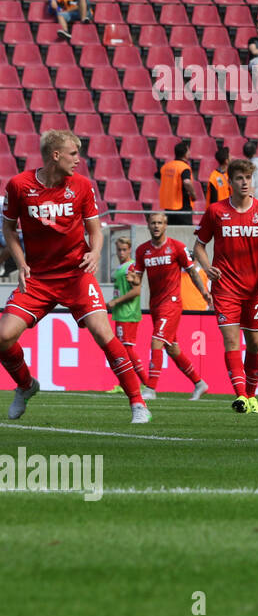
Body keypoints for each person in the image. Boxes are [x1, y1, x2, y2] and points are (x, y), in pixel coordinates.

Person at [0, 131, 151, 424]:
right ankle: (27, 385)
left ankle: (137, 402)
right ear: (55, 155)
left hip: (76, 275)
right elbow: (8, 230)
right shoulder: (19, 185)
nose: (78, 160)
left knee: (103, 333)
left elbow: (96, 230)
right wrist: (20, 263)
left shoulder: (82, 186)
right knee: (3, 337)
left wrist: (95, 253)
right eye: (73, 154)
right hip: (38, 278)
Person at [193, 158, 258, 415]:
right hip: (225, 289)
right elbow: (198, 246)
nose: (245, 182)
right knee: (231, 340)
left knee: (254, 343)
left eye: (248, 178)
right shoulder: (215, 211)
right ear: (230, 182)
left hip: (254, 289)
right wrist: (207, 266)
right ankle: (241, 395)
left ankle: (252, 395)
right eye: (239, 178)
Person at [135, 213, 211, 401]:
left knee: (156, 342)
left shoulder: (177, 247)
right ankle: (199, 383)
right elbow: (137, 278)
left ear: (166, 225)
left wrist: (203, 292)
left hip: (172, 302)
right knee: (172, 348)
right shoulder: (142, 251)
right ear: (148, 225)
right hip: (155, 304)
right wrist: (132, 279)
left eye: (160, 223)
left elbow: (192, 272)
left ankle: (150, 389)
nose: (156, 226)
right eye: (153, 223)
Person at [105, 235, 147, 391]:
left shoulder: (131, 267)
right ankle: (125, 383)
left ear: (129, 250)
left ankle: (145, 383)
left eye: (124, 250)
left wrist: (115, 302)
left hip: (128, 313)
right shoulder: (121, 268)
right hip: (121, 313)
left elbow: (136, 291)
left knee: (127, 350)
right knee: (122, 350)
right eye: (119, 250)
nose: (121, 253)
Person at [157, 139, 198, 229]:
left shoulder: (166, 166)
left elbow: (157, 177)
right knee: (184, 233)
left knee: (170, 233)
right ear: (185, 153)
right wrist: (193, 195)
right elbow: (187, 182)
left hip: (168, 206)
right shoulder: (184, 167)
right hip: (182, 206)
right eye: (188, 151)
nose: (190, 153)